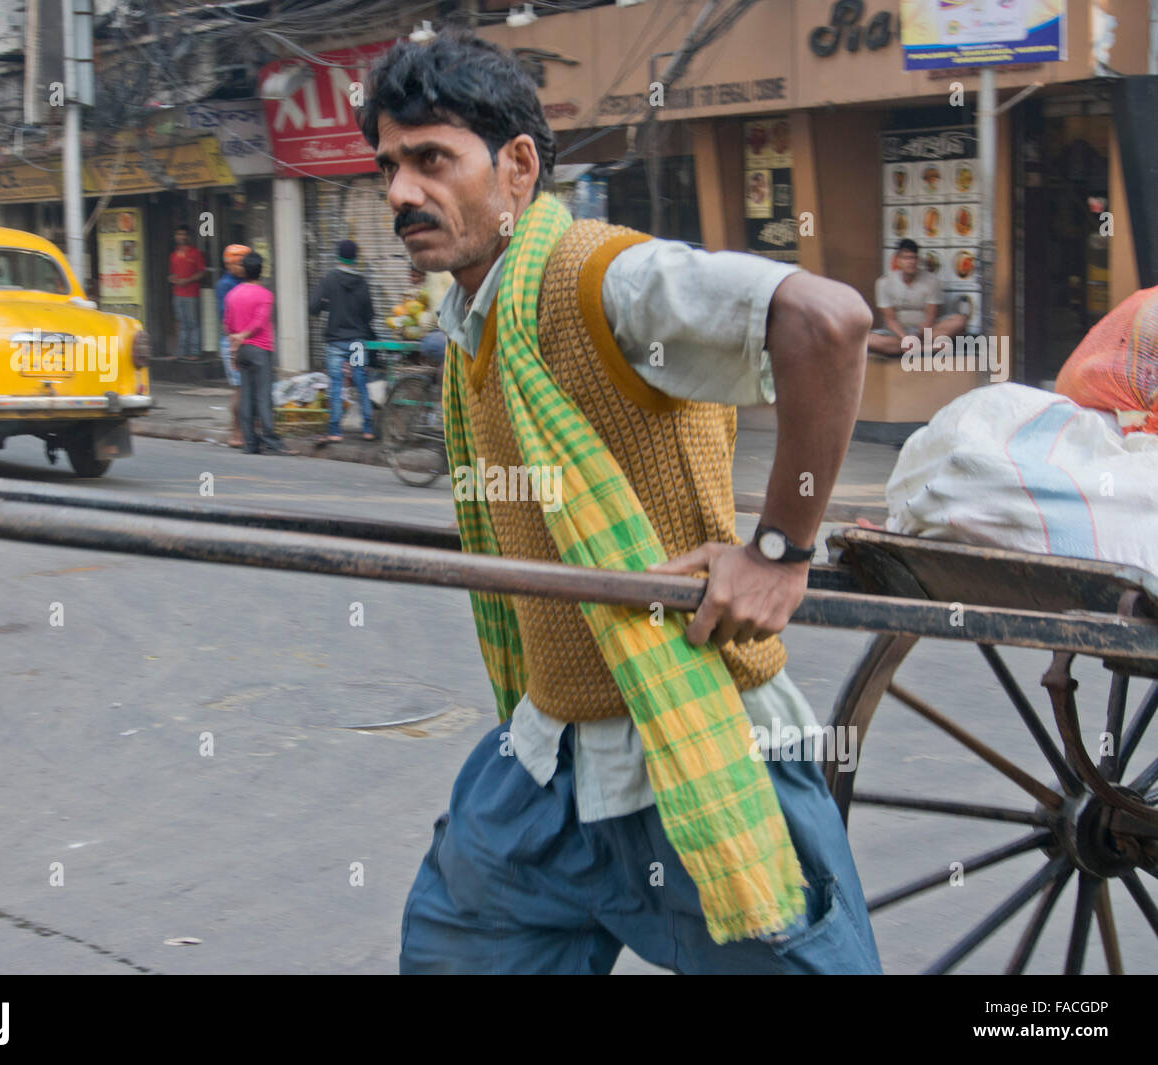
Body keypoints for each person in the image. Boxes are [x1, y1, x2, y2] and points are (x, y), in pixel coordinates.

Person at [360, 30, 880, 975]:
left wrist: (780, 549)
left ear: (518, 166)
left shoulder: (606, 278)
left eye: (431, 159)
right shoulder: (473, 323)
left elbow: (827, 321)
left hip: (693, 742)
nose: (400, 192)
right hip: (547, 766)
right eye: (389, 165)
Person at [309, 239, 376, 444]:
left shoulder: (329, 279)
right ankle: (368, 429)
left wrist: (328, 304)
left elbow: (313, 307)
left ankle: (335, 431)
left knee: (336, 385)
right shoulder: (362, 282)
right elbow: (369, 314)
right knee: (360, 383)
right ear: (355, 258)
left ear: (338, 256)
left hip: (336, 341)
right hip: (357, 341)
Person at [223, 251, 287, 455]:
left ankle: (250, 442)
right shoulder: (265, 295)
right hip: (260, 348)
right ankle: (270, 439)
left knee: (247, 396)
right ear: (261, 271)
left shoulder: (232, 295)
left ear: (243, 271)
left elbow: (227, 323)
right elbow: (260, 322)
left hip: (241, 351)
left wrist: (236, 341)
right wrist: (245, 334)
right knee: (263, 396)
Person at [868, 238, 969, 356]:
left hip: (926, 333)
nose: (911, 262)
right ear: (897, 260)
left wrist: (916, 337)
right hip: (897, 335)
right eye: (906, 258)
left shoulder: (932, 281)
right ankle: (926, 349)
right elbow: (890, 320)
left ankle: (912, 348)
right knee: (869, 339)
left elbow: (930, 317)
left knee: (960, 321)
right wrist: (905, 338)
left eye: (914, 257)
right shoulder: (884, 283)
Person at [216, 243, 251, 448]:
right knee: (239, 388)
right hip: (233, 340)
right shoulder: (226, 285)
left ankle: (246, 430)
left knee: (246, 387)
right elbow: (226, 318)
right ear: (231, 264)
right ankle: (236, 432)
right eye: (241, 263)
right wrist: (234, 345)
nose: (244, 267)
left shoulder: (242, 281)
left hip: (245, 339)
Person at [168, 225, 207, 361]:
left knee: (193, 323)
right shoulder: (173, 255)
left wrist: (187, 280)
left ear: (188, 237)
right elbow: (172, 273)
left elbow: (202, 272)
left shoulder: (195, 253)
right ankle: (181, 352)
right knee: (181, 323)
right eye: (179, 234)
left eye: (183, 234)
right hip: (177, 293)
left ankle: (195, 352)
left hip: (191, 294)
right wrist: (172, 278)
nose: (181, 237)